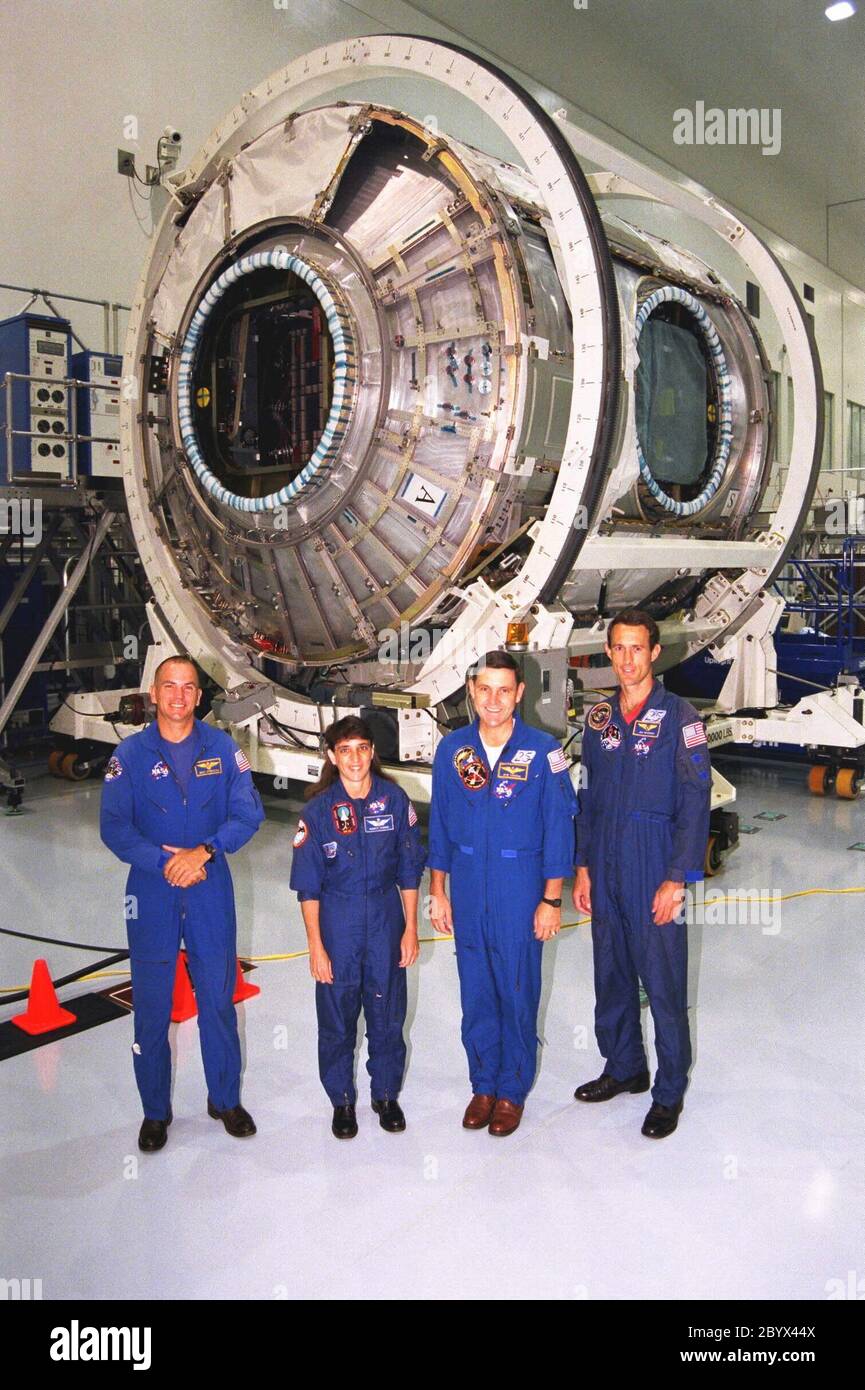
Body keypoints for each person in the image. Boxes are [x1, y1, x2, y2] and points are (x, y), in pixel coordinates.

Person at [100, 654, 265, 1152]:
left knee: (218, 996)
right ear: (154, 694)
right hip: (151, 890)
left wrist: (205, 852)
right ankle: (155, 1111)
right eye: (168, 686)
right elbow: (114, 828)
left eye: (188, 687)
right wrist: (162, 861)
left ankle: (225, 1099)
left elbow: (248, 813)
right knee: (151, 1003)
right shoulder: (128, 756)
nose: (178, 695)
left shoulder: (223, 749)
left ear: (198, 696)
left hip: (210, 883)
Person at [572, 608, 711, 1139]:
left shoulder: (682, 718)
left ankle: (668, 1092)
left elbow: (696, 801)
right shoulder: (598, 719)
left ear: (655, 653)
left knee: (663, 981)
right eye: (619, 648)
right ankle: (624, 1066)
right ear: (608, 653)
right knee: (610, 974)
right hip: (604, 859)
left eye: (638, 648)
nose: (628, 659)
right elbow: (586, 796)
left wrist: (677, 877)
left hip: (654, 861)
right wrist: (582, 867)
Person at [428, 650, 579, 1137]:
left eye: (503, 690)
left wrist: (551, 899)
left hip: (520, 887)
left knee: (517, 989)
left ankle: (512, 1089)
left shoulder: (543, 751)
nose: (493, 700)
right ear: (472, 690)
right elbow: (441, 825)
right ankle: (483, 1084)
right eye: (484, 689)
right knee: (476, 991)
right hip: (469, 886)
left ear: (519, 694)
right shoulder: (453, 749)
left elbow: (559, 829)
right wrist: (439, 891)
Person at [289, 716, 425, 1140]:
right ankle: (342, 1101)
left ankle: (385, 1094)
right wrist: (316, 946)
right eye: (344, 749)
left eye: (362, 748)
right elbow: (307, 887)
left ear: (372, 752)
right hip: (338, 922)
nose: (354, 758)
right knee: (336, 1017)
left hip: (386, 919)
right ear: (332, 756)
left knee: (387, 1014)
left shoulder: (395, 799)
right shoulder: (317, 812)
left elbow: (408, 870)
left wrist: (410, 929)